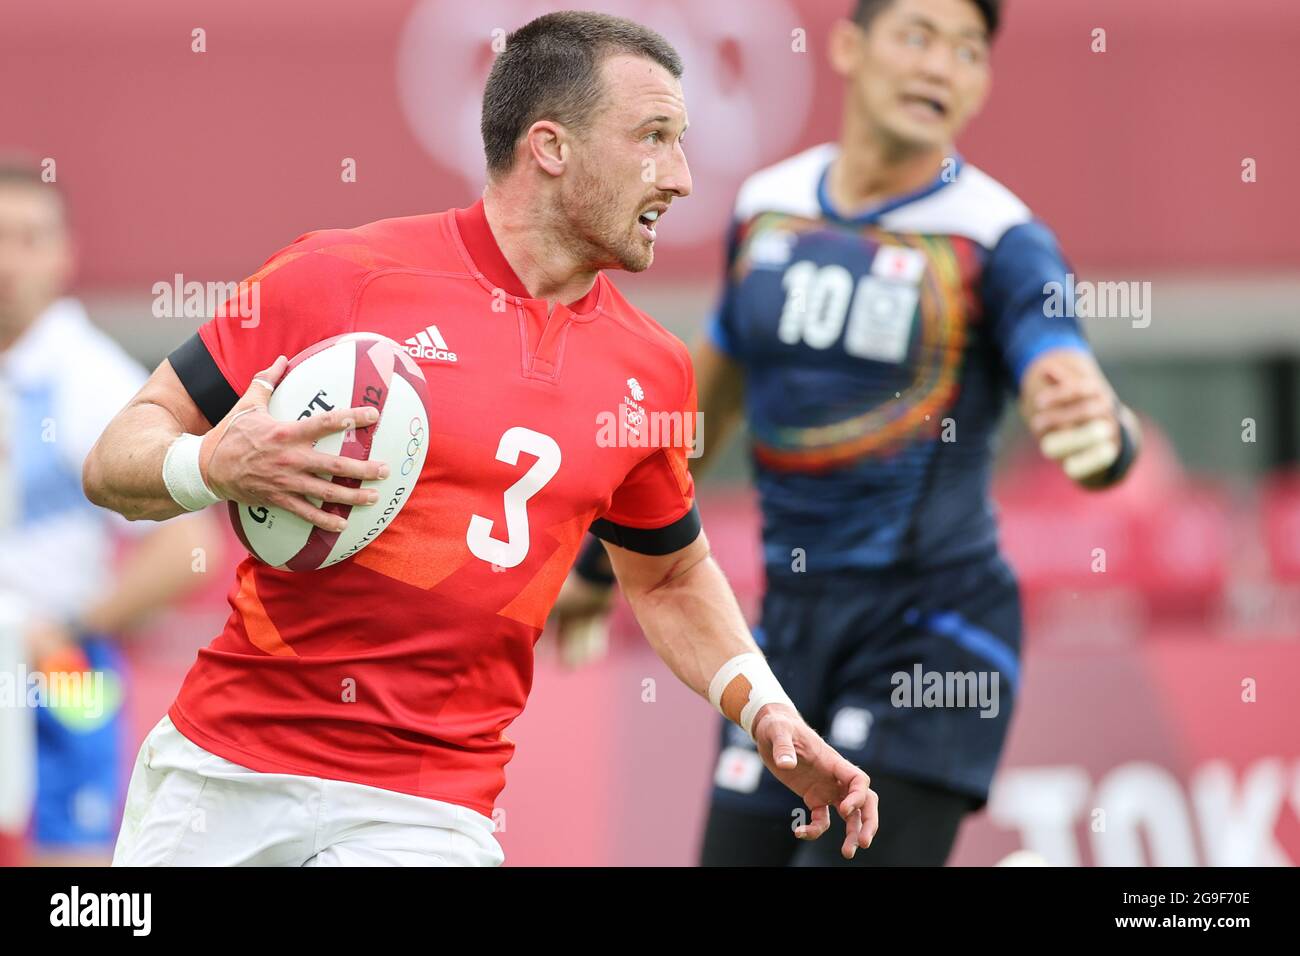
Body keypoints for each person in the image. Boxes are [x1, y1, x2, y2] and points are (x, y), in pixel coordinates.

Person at [84, 11, 880, 867]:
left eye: (682, 140)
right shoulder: (338, 276)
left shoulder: (653, 371)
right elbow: (113, 456)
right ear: (551, 146)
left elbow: (672, 574)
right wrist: (210, 463)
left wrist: (767, 710)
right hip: (221, 774)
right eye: (654, 137)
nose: (682, 176)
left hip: (426, 813)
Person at [552, 0, 1141, 866]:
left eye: (969, 51)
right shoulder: (767, 206)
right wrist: (605, 561)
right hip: (783, 641)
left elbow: (1069, 377)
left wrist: (1102, 427)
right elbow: (706, 406)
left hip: (935, 639)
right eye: (919, 36)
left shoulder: (1002, 240)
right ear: (850, 45)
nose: (941, 65)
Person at [0, 160, 220, 865]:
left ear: (65, 254)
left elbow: (191, 547)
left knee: (69, 876)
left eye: (29, 238)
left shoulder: (92, 379)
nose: (9, 260)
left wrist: (66, 628)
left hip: (60, 662)